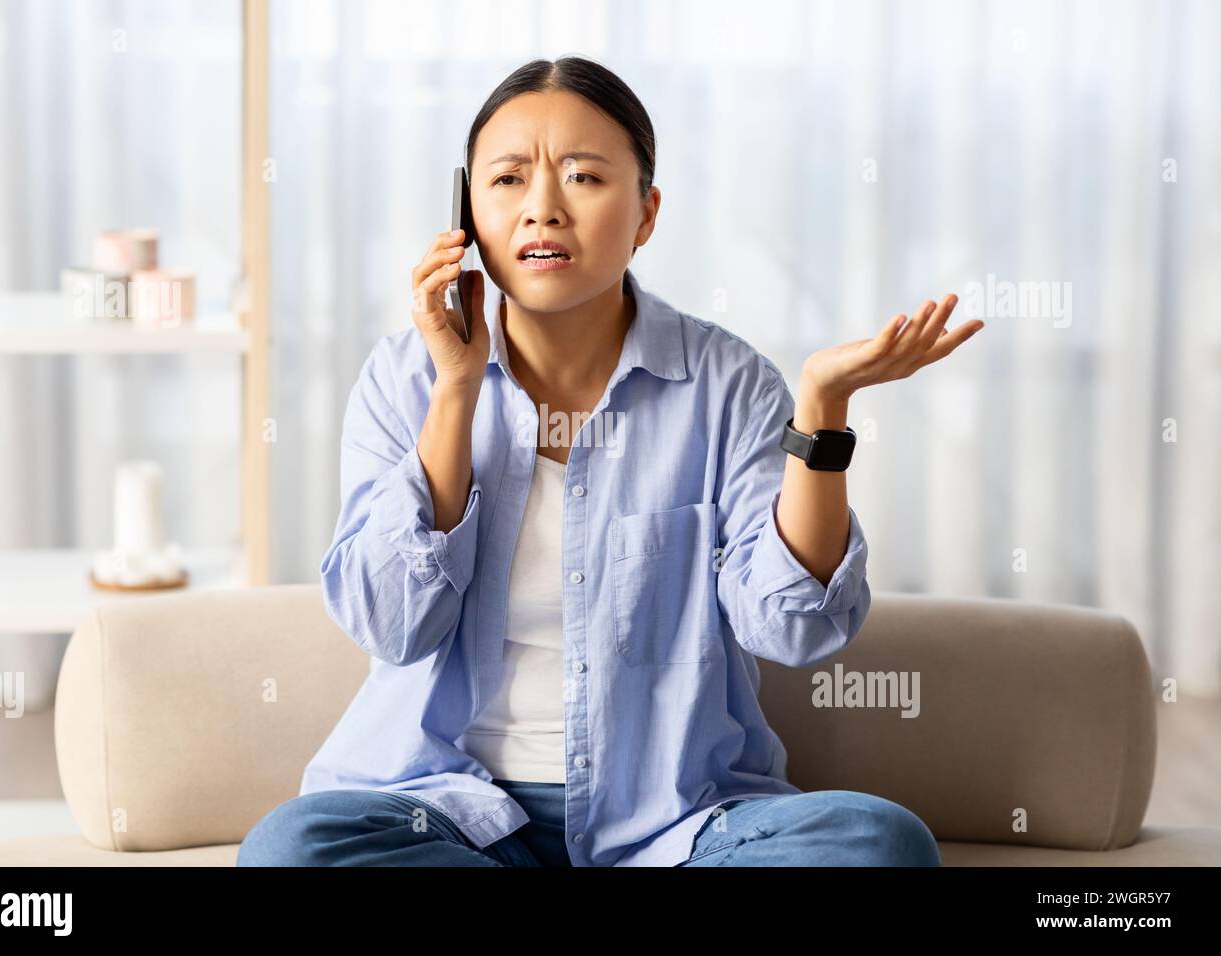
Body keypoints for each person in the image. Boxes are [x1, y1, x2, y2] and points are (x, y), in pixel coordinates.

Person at [238, 55, 981, 868]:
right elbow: (390, 626)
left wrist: (823, 415)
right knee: (292, 850)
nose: (543, 209)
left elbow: (795, 628)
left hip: (676, 822)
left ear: (646, 213)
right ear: (467, 214)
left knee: (879, 843)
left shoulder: (727, 384)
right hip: (444, 811)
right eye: (508, 180)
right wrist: (455, 389)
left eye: (584, 177)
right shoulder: (403, 378)